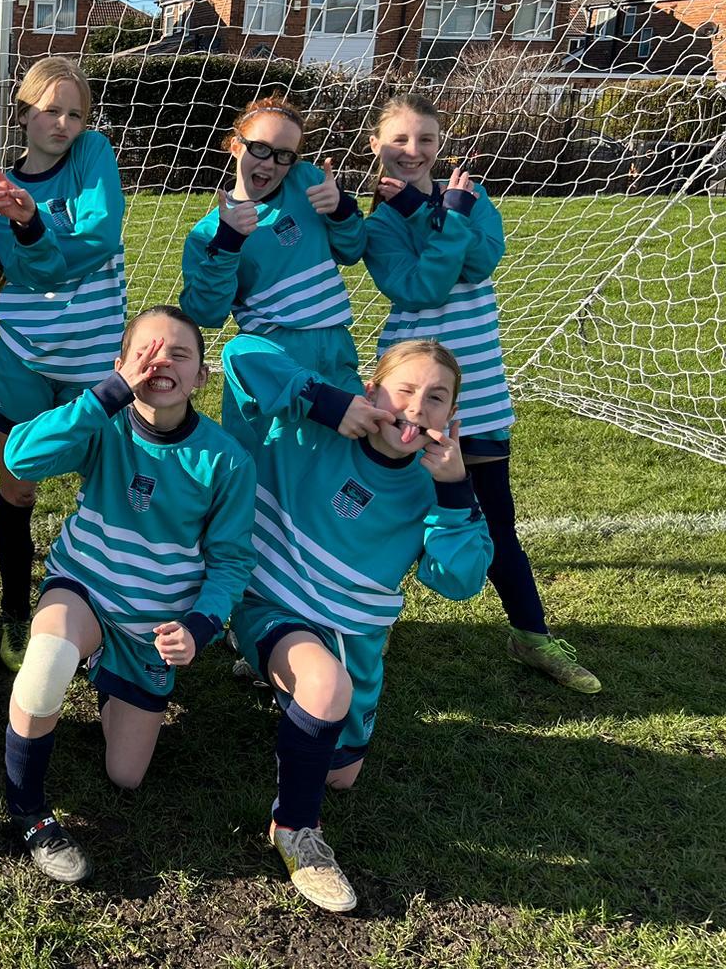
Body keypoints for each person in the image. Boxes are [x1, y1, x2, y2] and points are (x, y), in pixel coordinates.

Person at [222, 332, 493, 912]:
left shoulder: (436, 486)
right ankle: (295, 830)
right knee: (325, 688)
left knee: (341, 774)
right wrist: (326, 401)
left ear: (453, 414)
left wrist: (454, 488)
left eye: (438, 398)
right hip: (268, 603)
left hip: (354, 636)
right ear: (372, 391)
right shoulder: (311, 425)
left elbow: (460, 581)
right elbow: (240, 353)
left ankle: (292, 688)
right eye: (405, 390)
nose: (418, 407)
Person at [0, 306, 256, 882]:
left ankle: (106, 671)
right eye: (145, 352)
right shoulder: (103, 424)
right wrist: (103, 398)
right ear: (120, 367)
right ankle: (28, 810)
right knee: (44, 667)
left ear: (201, 378)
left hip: (152, 625)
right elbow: (19, 456)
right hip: (84, 588)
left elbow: (232, 561)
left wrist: (200, 627)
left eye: (180, 355)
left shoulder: (227, 459)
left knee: (126, 775)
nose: (161, 362)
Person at [364, 95, 599, 693]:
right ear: (376, 146)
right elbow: (421, 286)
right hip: (406, 395)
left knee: (494, 523)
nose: (412, 152)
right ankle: (366, 622)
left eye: (426, 141)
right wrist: (428, 210)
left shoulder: (472, 196)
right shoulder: (380, 223)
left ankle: (532, 635)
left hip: (480, 397)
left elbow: (481, 262)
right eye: (399, 141)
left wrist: (445, 210)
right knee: (385, 516)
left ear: (441, 146)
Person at [0, 56, 128, 670]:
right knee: (17, 484)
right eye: (51, 109)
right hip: (25, 357)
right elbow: (31, 273)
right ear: (23, 110)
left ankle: (109, 615)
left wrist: (33, 224)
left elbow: (102, 237)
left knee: (109, 486)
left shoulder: (91, 155)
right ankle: (14, 610)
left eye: (75, 112)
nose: (63, 123)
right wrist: (24, 228)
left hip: (93, 359)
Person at [178, 93, 365, 454]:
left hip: (334, 345)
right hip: (273, 359)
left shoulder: (306, 183)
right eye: (260, 148)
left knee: (351, 450)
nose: (271, 163)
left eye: (284, 155)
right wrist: (229, 241)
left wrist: (342, 209)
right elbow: (206, 312)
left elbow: (353, 249)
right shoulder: (208, 233)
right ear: (235, 146)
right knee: (267, 461)